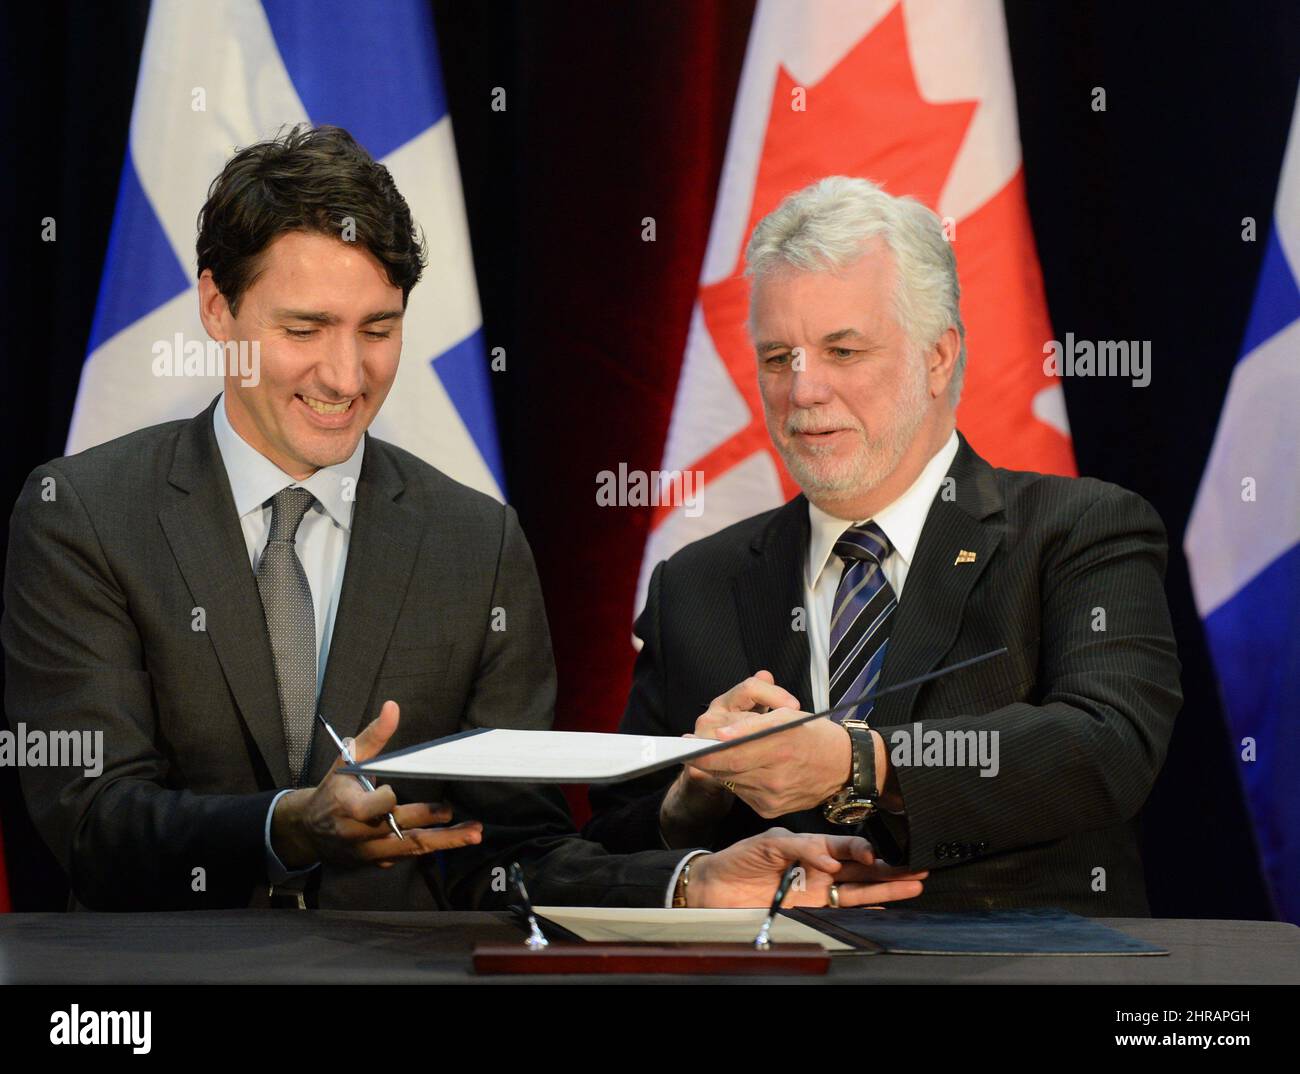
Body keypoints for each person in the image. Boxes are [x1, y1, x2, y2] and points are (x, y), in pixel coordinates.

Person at [2, 128, 928, 913]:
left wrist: (687, 884)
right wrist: (290, 825)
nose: (345, 375)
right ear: (216, 307)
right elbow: (89, 824)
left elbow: (514, 854)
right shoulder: (84, 517)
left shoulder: (473, 543)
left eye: (377, 328)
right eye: (304, 329)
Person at [585, 176, 1182, 916]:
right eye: (778, 358)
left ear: (938, 358)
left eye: (841, 349)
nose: (802, 391)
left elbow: (1109, 745)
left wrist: (860, 763)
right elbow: (611, 842)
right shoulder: (695, 584)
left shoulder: (1078, 531)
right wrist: (694, 793)